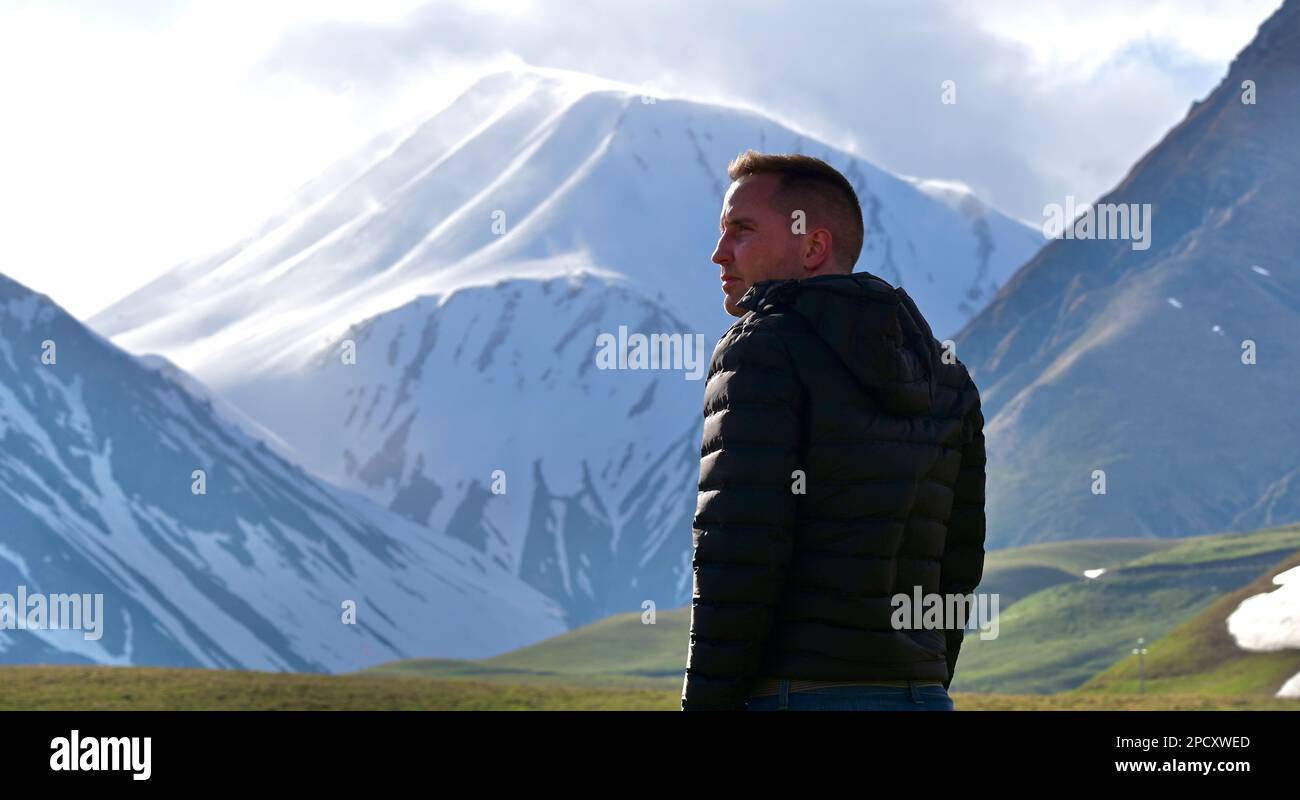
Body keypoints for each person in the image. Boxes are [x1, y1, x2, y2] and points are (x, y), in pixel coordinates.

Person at [680, 150, 986, 711]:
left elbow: (739, 551)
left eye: (741, 231)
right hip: (920, 697)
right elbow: (958, 564)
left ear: (813, 245)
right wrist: (923, 680)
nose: (719, 253)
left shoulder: (762, 350)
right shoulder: (948, 378)